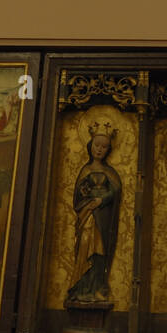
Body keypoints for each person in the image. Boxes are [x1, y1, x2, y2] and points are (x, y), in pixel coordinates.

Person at [66, 123, 123, 304]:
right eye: (97, 145)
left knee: (99, 252)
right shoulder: (85, 170)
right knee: (84, 247)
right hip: (87, 216)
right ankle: (82, 287)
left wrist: (102, 199)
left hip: (103, 219)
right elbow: (77, 197)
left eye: (104, 147)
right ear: (90, 145)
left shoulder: (110, 172)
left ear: (108, 150)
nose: (99, 149)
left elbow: (115, 190)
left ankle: (97, 287)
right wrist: (89, 202)